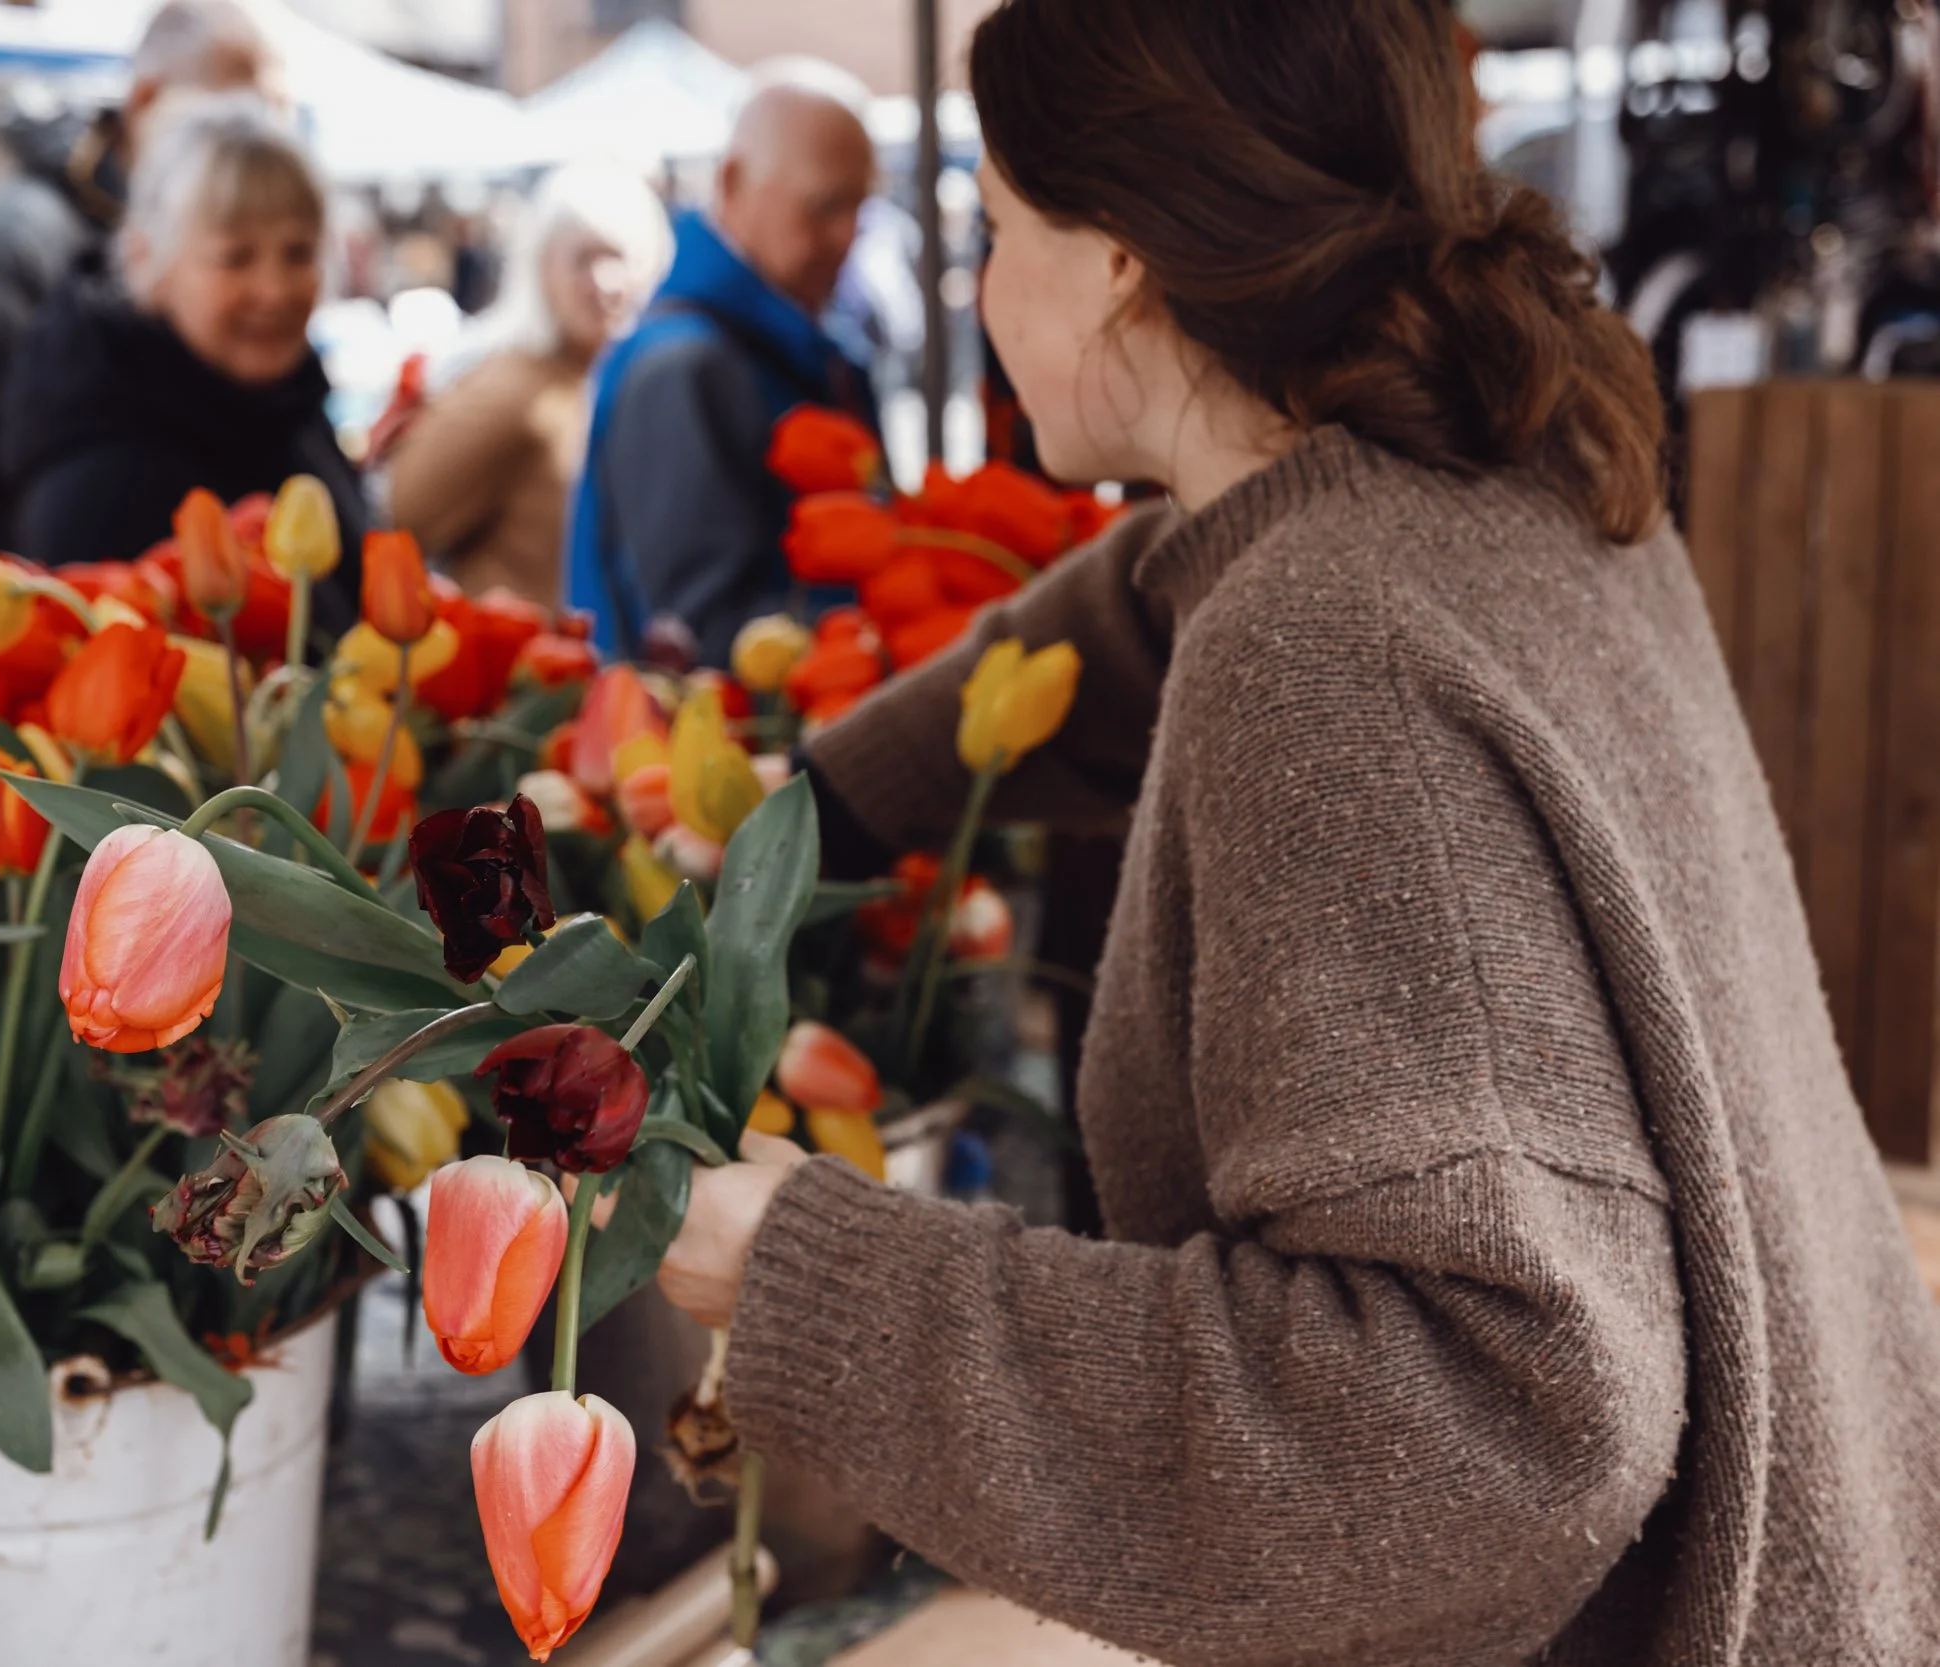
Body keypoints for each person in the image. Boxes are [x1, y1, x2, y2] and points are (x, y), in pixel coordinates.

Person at [656, 1, 1940, 1662]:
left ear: (1120, 256)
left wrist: (810, 1277)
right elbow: (1151, 598)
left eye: (992, 224)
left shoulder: (1323, 642)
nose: (976, 286)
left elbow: (1482, 1422)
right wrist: (827, 805)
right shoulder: (1497, 471)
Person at [0, 0, 269, 561]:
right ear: (147, 100)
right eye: (227, 125)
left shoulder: (188, 251)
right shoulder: (20, 248)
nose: (253, 156)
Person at [0, 92, 363, 628]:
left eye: (299, 253)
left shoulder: (287, 401)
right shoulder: (100, 469)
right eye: (236, 257)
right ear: (149, 260)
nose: (275, 289)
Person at [565, 62, 880, 665]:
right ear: (733, 183)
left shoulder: (794, 343)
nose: (848, 235)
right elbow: (701, 636)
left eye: (860, 206)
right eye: (824, 206)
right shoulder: (684, 369)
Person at [386, 163, 671, 610]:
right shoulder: (512, 390)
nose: (605, 281)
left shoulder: (625, 382)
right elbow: (397, 523)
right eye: (582, 259)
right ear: (541, 267)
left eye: (620, 257)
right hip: (527, 668)